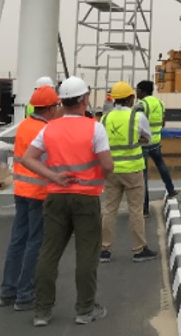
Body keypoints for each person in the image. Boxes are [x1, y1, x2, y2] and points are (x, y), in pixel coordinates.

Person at [21, 76, 113, 327]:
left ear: (61, 101)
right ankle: (84, 309)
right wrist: (99, 179)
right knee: (86, 255)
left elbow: (28, 158)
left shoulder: (49, 128)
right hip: (86, 198)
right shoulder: (94, 128)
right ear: (84, 99)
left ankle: (42, 311)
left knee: (49, 253)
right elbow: (107, 165)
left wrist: (53, 176)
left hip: (55, 197)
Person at [0, 85, 61, 311]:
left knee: (17, 241)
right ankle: (25, 294)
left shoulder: (24, 125)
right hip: (39, 193)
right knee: (35, 243)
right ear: (51, 108)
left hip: (21, 191)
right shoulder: (45, 130)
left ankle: (8, 291)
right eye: (56, 105)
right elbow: (48, 162)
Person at [99, 81, 158, 264]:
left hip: (111, 170)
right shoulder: (136, 117)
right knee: (136, 210)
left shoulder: (104, 119)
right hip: (132, 169)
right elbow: (147, 139)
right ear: (130, 98)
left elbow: (100, 143)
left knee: (109, 209)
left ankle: (105, 249)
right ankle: (139, 249)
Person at [135, 80, 177, 217]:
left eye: (138, 90)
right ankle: (171, 190)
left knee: (144, 177)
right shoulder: (160, 103)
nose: (136, 93)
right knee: (161, 165)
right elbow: (163, 122)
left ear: (143, 91)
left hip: (144, 144)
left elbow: (136, 125)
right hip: (156, 141)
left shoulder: (141, 105)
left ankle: (145, 209)